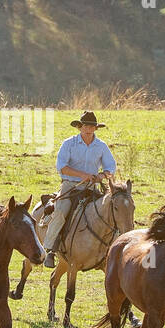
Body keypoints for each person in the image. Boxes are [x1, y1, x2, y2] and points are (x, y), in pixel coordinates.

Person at [42, 110, 117, 268]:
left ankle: (113, 248)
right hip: (70, 185)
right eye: (85, 126)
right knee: (61, 211)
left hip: (91, 187)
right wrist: (82, 175)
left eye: (91, 126)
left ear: (95, 128)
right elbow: (62, 167)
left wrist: (101, 176)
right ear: (79, 127)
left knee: (109, 210)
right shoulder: (69, 143)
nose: (88, 129)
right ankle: (49, 250)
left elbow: (110, 167)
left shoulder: (101, 146)